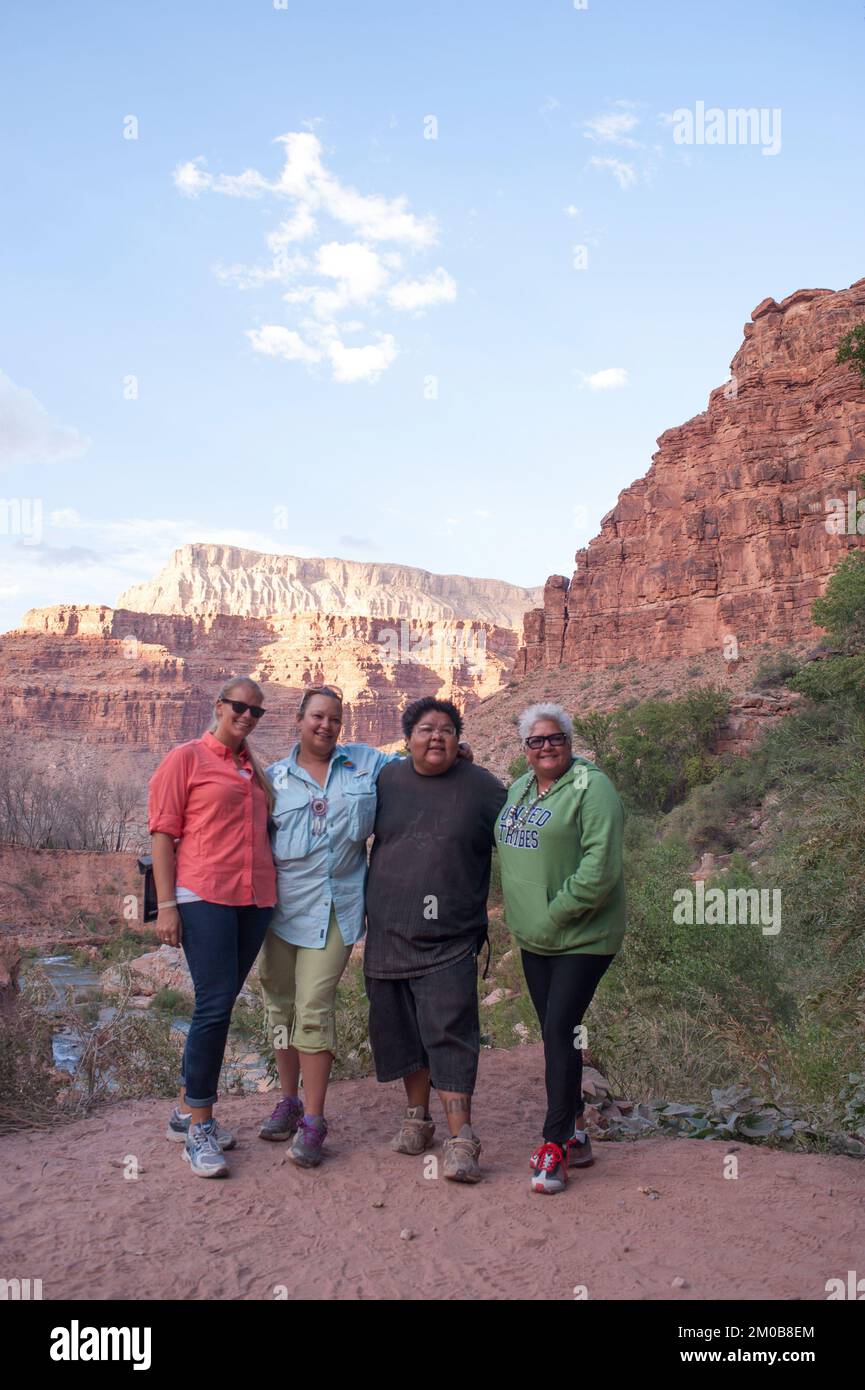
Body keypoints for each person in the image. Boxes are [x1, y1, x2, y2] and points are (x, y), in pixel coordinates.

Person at [364, 697, 507, 1183]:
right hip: (387, 931)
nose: (436, 738)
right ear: (407, 738)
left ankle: (461, 1137)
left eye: (447, 730)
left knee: (450, 1032)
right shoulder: (384, 780)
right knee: (401, 1032)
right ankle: (417, 1119)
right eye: (426, 729)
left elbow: (523, 839)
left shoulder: (483, 788)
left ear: (459, 739)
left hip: (451, 939)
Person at [258, 686, 393, 1168]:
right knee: (280, 1008)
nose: (326, 726)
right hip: (280, 912)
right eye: (317, 716)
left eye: (335, 719)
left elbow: (419, 766)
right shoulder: (273, 779)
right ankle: (288, 1099)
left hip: (337, 910)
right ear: (299, 720)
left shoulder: (367, 764)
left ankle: (314, 1121)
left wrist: (457, 752)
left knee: (313, 1007)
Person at [148, 676, 276, 1179]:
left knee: (219, 1006)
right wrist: (167, 907)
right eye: (239, 707)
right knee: (214, 1005)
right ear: (220, 705)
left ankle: (185, 1113)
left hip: (255, 899)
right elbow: (163, 835)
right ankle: (200, 1124)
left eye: (256, 712)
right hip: (203, 895)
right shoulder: (186, 758)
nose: (246, 716)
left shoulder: (253, 768)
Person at [496, 702, 625, 1194]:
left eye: (556, 739)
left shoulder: (594, 789)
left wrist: (554, 912)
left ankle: (553, 1147)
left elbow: (602, 866)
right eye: (536, 740)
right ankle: (576, 1133)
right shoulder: (521, 789)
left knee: (558, 1029)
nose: (547, 747)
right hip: (534, 938)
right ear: (525, 749)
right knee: (562, 1033)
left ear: (570, 743)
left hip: (582, 935)